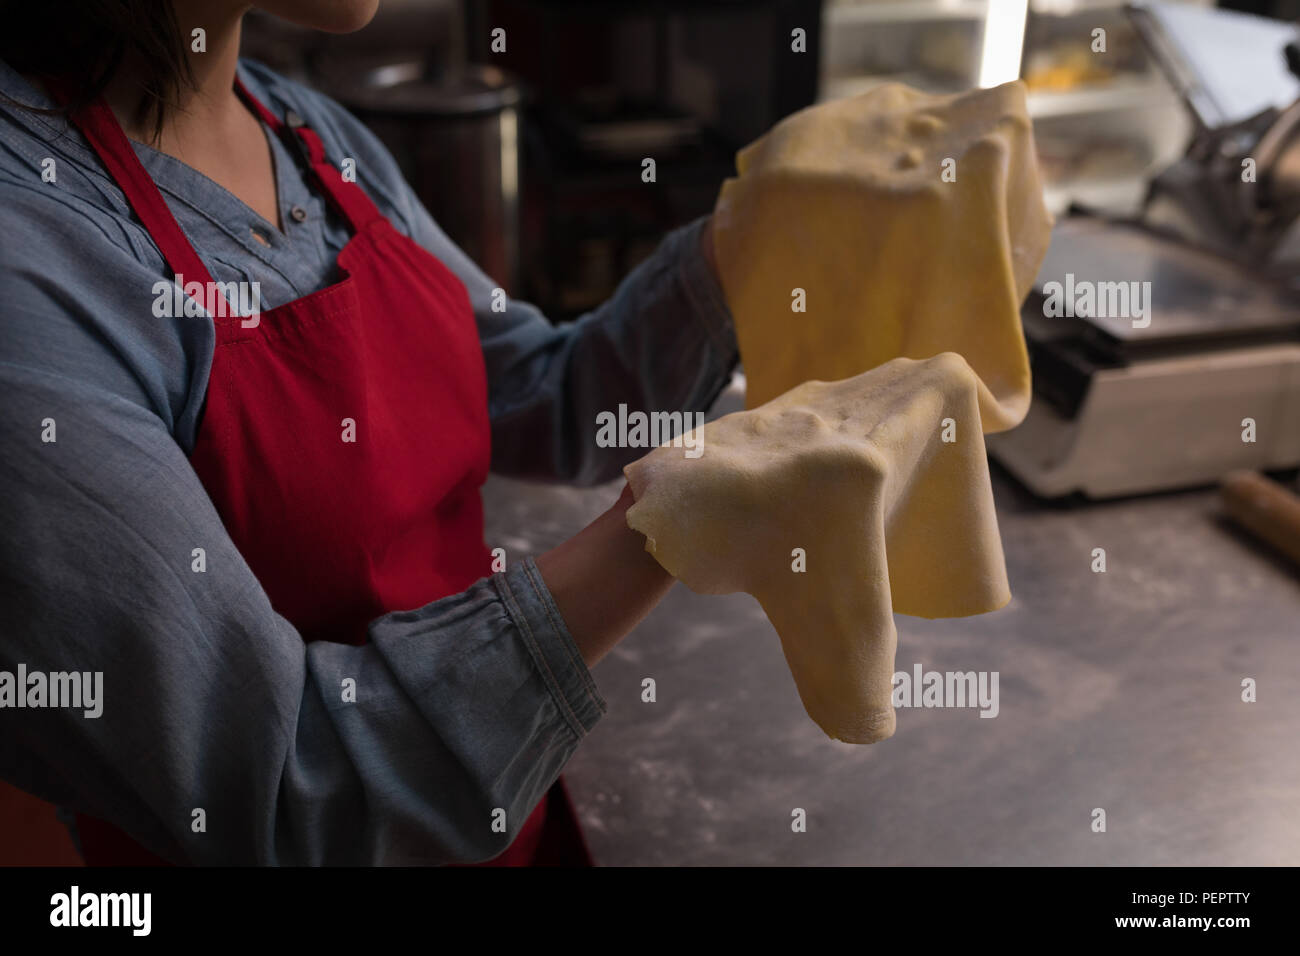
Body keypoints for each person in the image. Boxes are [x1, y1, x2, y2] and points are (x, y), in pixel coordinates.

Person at [0, 0, 738, 865]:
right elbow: (288, 790)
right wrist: (670, 520)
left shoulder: (300, 125)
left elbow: (545, 396)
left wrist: (751, 234)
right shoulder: (31, 258)